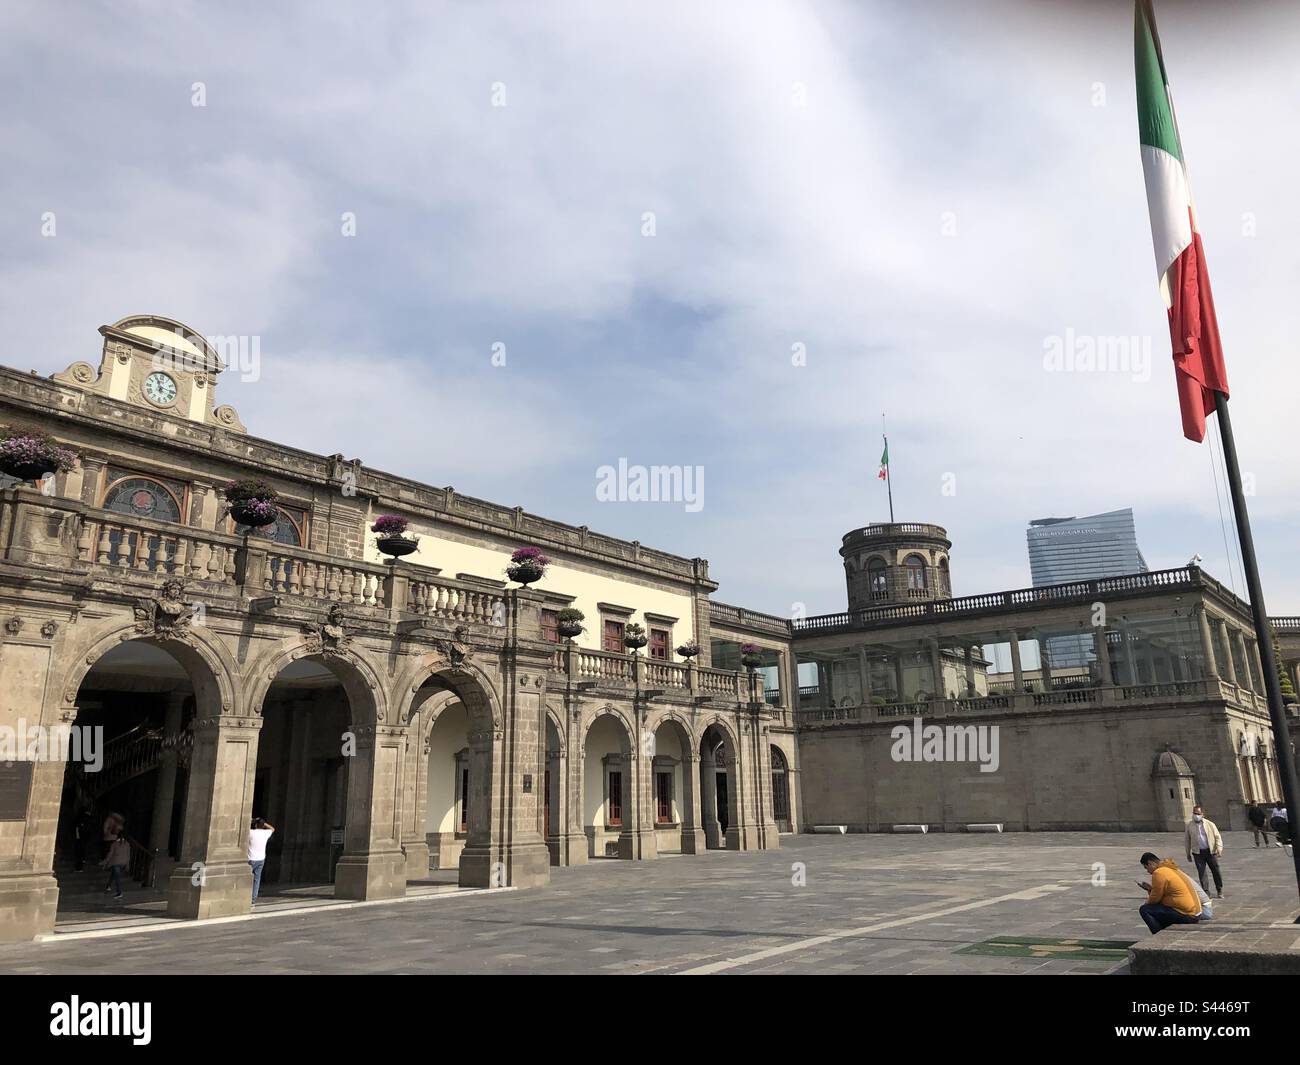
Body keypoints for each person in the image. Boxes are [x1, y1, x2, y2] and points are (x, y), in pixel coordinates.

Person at [1138, 851, 1203, 934]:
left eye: (1146, 867)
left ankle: (1159, 935)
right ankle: (1165, 931)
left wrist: (1146, 902)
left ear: (1151, 863)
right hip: (1196, 912)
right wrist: (1150, 889)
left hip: (1188, 914)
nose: (1147, 871)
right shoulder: (1170, 868)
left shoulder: (1159, 873)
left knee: (1145, 910)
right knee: (1158, 909)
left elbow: (1155, 899)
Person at [1184, 804, 1224, 899]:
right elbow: (1187, 840)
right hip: (1198, 852)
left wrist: (1219, 848)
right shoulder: (1189, 825)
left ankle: (1219, 889)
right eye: (1194, 813)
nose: (1195, 815)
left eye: (1198, 813)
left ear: (1202, 814)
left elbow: (1217, 837)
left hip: (1210, 851)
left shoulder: (1210, 824)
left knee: (1216, 870)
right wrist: (1188, 853)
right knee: (1202, 872)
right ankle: (1206, 892)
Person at [248, 817, 275, 903]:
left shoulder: (251, 832)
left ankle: (245, 894)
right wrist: (264, 824)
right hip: (260, 859)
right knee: (257, 879)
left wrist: (252, 820)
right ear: (263, 826)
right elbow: (272, 828)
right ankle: (253, 898)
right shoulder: (265, 833)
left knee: (247, 878)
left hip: (250, 858)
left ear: (255, 825)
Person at [100, 831, 130, 901]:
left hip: (116, 862)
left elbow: (110, 854)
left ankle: (119, 892)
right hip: (123, 863)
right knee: (114, 874)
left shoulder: (115, 844)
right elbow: (128, 855)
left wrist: (105, 862)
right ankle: (108, 886)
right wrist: (127, 864)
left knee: (117, 878)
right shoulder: (127, 844)